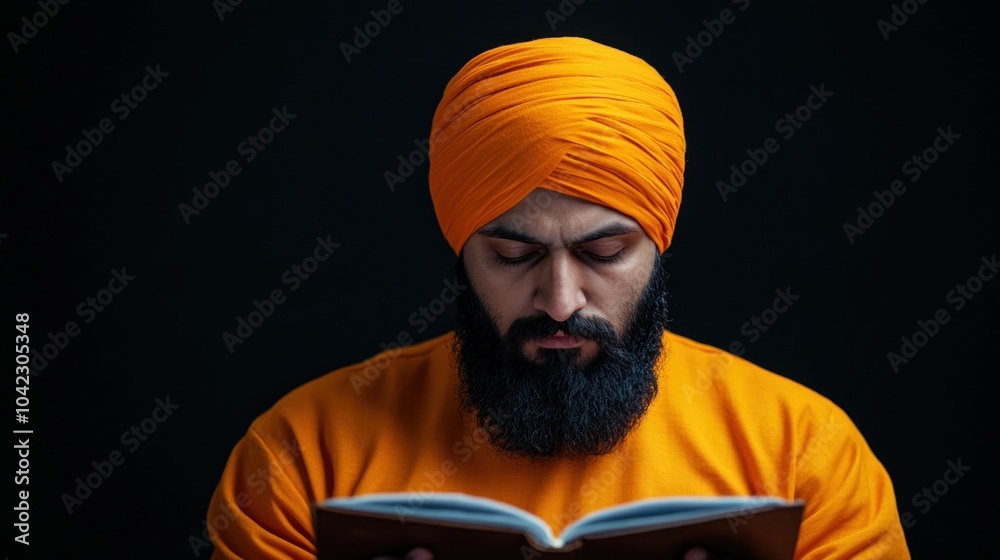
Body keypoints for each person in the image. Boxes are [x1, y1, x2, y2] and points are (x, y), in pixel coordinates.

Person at [205, 37, 910, 559]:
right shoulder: (303, 453)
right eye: (515, 255)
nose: (562, 301)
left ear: (658, 246)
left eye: (604, 254)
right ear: (463, 250)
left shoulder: (804, 452)